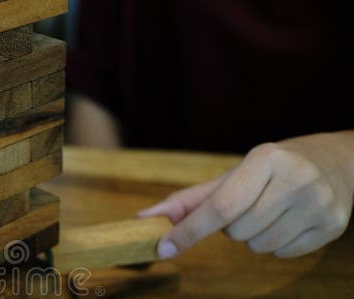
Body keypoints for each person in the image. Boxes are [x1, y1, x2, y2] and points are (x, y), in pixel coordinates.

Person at [68, 0, 354, 259]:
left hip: (320, 246)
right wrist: (108, 237)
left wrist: (343, 160)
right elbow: (96, 88)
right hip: (151, 220)